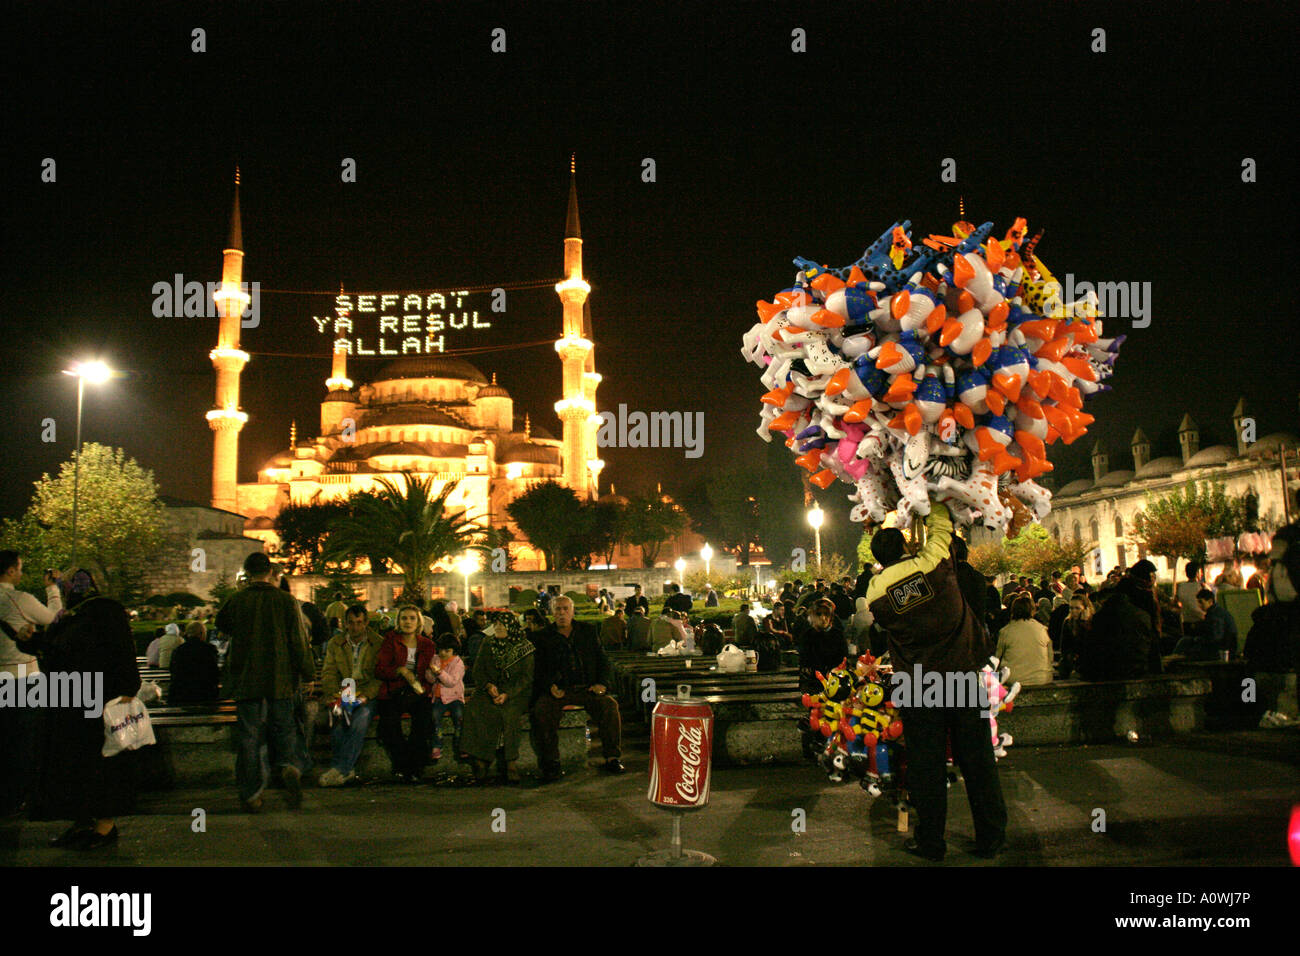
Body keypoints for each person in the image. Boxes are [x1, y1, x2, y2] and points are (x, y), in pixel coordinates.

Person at [865, 504, 1007, 862]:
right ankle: (990, 836)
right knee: (977, 760)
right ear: (906, 546)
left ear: (878, 557)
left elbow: (882, 623)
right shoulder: (934, 564)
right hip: (960, 675)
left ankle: (931, 842)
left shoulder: (876, 591)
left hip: (918, 683)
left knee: (926, 766)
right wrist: (932, 497)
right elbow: (943, 531)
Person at [24, 569, 142, 849]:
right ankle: (84, 822)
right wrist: (28, 641)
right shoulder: (74, 617)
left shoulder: (102, 612)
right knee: (78, 766)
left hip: (100, 704)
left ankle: (104, 827)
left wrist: (127, 690)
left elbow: (122, 653)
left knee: (101, 766)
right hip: (75, 704)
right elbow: (57, 651)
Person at [217, 553, 315, 812]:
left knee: (250, 737)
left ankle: (252, 794)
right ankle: (289, 767)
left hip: (247, 680)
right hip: (280, 679)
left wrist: (240, 592)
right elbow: (298, 640)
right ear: (270, 571)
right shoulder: (285, 600)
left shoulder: (238, 600)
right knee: (284, 729)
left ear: (248, 572)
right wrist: (308, 673)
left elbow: (222, 624)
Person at [530, 595, 623, 781]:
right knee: (542, 710)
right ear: (552, 613)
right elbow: (538, 668)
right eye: (558, 609)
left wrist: (602, 684)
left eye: (565, 609)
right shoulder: (542, 637)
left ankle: (612, 757)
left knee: (609, 706)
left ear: (572, 612)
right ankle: (551, 763)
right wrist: (550, 686)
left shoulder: (587, 631)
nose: (562, 613)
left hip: (587, 688)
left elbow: (603, 661)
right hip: (560, 690)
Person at [0, 553, 63, 816]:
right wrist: (52, 588)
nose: (22, 573)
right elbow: (56, 619)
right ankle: (16, 799)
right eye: (20, 568)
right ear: (11, 571)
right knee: (25, 743)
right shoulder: (18, 599)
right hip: (22, 678)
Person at [462, 612, 535, 783]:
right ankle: (480, 758)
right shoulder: (488, 643)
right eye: (496, 624)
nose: (499, 627)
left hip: (516, 693)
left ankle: (511, 762)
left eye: (503, 624)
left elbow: (526, 677)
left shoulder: (525, 647)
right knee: (475, 709)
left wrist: (507, 694)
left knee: (509, 714)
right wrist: (488, 686)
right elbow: (478, 670)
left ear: (512, 627)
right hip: (490, 690)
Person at [317, 604, 383, 786]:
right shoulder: (336, 643)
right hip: (346, 690)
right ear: (345, 624)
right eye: (351, 623)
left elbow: (380, 676)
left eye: (359, 623)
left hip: (367, 691)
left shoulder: (377, 643)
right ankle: (344, 769)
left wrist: (366, 696)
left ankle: (341, 768)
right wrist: (333, 693)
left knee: (360, 718)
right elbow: (329, 671)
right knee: (339, 722)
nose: (355, 627)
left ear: (366, 623)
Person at [1243, 523, 1299, 727]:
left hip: (1262, 674)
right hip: (1280, 672)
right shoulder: (1284, 622)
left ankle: (1250, 711)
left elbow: (1249, 656)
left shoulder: (1260, 625)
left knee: (1248, 681)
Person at [374, 604, 437, 783]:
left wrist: (429, 677)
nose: (408, 622)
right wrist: (400, 670)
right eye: (404, 618)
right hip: (394, 691)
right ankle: (406, 766)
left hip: (418, 691)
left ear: (418, 622)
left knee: (423, 722)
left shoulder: (427, 644)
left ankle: (413, 768)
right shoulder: (390, 640)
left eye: (412, 618)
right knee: (389, 724)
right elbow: (380, 670)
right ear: (398, 621)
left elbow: (428, 673)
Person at [993, 597, 1054, 686]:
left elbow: (997, 658)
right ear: (1033, 611)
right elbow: (1050, 658)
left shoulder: (1006, 631)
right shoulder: (1042, 629)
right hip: (1042, 678)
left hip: (1013, 679)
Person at [796, 598, 849, 695]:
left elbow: (843, 658)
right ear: (813, 616)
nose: (823, 618)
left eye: (826, 614)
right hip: (813, 684)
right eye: (819, 614)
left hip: (834, 683)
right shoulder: (807, 635)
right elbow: (804, 660)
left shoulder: (838, 635)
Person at [427, 635, 465, 763]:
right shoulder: (435, 659)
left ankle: (461, 745)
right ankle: (437, 745)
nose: (443, 653)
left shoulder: (458, 663)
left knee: (459, 718)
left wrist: (439, 673)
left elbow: (452, 682)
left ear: (453, 651)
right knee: (434, 718)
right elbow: (430, 680)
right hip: (439, 697)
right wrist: (431, 674)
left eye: (447, 651)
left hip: (454, 697)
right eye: (441, 650)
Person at [1173, 590, 1236, 661]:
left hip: (1220, 650)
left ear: (1210, 601)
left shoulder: (1215, 615)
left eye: (1201, 602)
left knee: (1186, 644)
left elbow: (1215, 637)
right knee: (1186, 642)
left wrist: (1198, 639)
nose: (1199, 606)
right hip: (1224, 648)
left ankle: (1174, 658)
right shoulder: (1216, 612)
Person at [168, 621, 220, 704]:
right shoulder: (209, 649)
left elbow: (173, 671)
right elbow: (214, 674)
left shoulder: (179, 650)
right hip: (205, 696)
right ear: (202, 633)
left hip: (181, 695)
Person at [1057, 592, 1093, 679]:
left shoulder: (1092, 623)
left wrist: (1084, 624)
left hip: (1088, 663)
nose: (1073, 611)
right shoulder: (1068, 622)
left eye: (1077, 608)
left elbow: (1087, 646)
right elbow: (1064, 647)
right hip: (1071, 662)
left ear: (1085, 609)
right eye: (1071, 608)